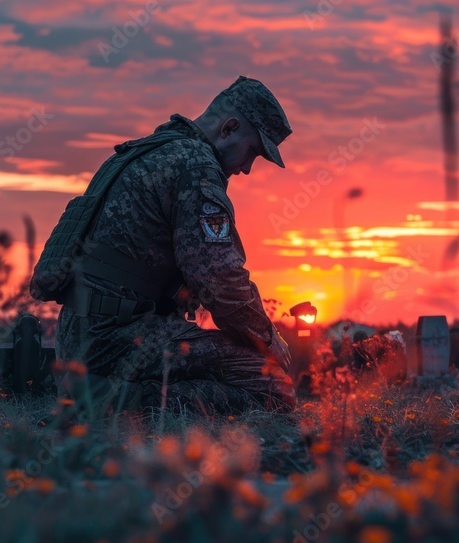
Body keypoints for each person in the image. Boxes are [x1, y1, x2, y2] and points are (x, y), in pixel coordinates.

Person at [46, 76, 296, 416]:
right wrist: (267, 339)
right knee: (272, 387)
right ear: (230, 127)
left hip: (84, 335)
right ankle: (117, 402)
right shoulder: (195, 167)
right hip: (115, 341)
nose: (248, 168)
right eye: (252, 150)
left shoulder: (151, 151)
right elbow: (220, 282)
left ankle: (104, 388)